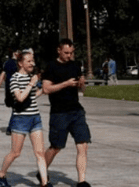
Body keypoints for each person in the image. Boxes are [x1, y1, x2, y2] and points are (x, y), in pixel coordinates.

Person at [0, 50, 48, 187]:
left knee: (40, 152)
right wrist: (31, 84)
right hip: (20, 120)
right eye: (29, 61)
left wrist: (44, 90)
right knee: (15, 153)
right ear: (20, 63)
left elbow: (31, 96)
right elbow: (20, 98)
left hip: (35, 118)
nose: (32, 63)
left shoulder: (31, 77)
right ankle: (1, 175)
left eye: (33, 60)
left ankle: (45, 183)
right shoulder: (14, 79)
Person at [42, 40, 92, 187]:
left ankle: (81, 181)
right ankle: (42, 170)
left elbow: (81, 90)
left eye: (71, 53)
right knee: (56, 147)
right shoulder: (51, 67)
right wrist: (65, 84)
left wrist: (82, 84)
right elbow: (46, 89)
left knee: (83, 144)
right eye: (66, 53)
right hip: (59, 113)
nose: (69, 55)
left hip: (76, 111)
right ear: (59, 50)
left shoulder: (75, 66)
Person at [0, 50, 21, 134]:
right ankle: (10, 128)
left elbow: (2, 74)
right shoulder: (19, 63)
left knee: (15, 107)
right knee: (16, 108)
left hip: (9, 88)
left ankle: (14, 127)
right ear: (15, 53)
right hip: (16, 87)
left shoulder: (7, 63)